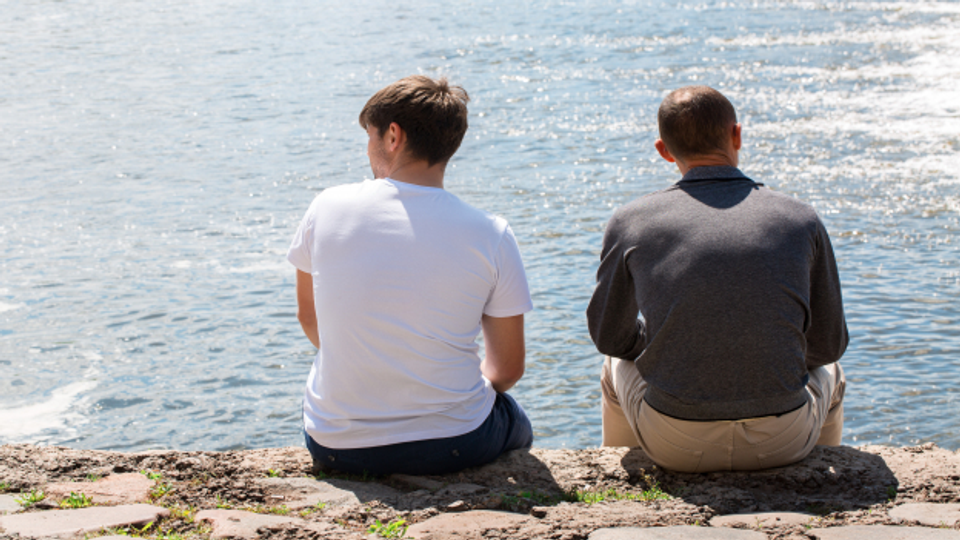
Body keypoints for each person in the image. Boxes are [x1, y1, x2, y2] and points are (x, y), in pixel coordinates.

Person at [586, 86, 849, 473]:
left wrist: (661, 343)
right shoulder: (800, 218)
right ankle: (820, 478)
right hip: (784, 440)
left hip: (673, 443)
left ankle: (621, 473)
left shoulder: (631, 220)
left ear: (664, 150)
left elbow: (611, 338)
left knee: (613, 365)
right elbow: (828, 346)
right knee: (833, 375)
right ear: (737, 135)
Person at [287, 76, 534, 477]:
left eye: (370, 135)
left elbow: (309, 318)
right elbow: (506, 370)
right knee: (515, 421)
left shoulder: (326, 207)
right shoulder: (492, 233)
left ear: (393, 136)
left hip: (336, 444)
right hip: (456, 444)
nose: (367, 149)